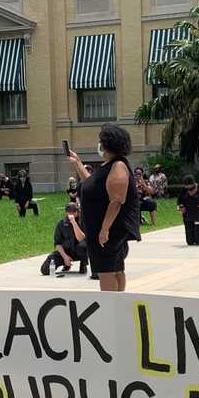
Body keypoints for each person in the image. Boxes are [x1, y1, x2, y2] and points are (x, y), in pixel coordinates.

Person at [69, 123, 139, 292]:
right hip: (102, 228)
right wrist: (78, 163)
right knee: (115, 267)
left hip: (108, 230)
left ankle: (112, 305)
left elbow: (116, 200)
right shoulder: (109, 165)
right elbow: (93, 186)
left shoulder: (118, 166)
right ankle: (118, 302)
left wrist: (104, 229)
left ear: (108, 144)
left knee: (107, 271)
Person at [41, 202, 88, 277]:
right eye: (69, 212)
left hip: (79, 252)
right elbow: (57, 244)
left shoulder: (82, 221)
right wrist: (65, 257)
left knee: (82, 246)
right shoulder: (61, 223)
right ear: (66, 212)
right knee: (45, 270)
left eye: (73, 212)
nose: (71, 214)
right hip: (66, 251)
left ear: (77, 211)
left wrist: (73, 223)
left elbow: (81, 238)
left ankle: (83, 264)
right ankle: (66, 264)